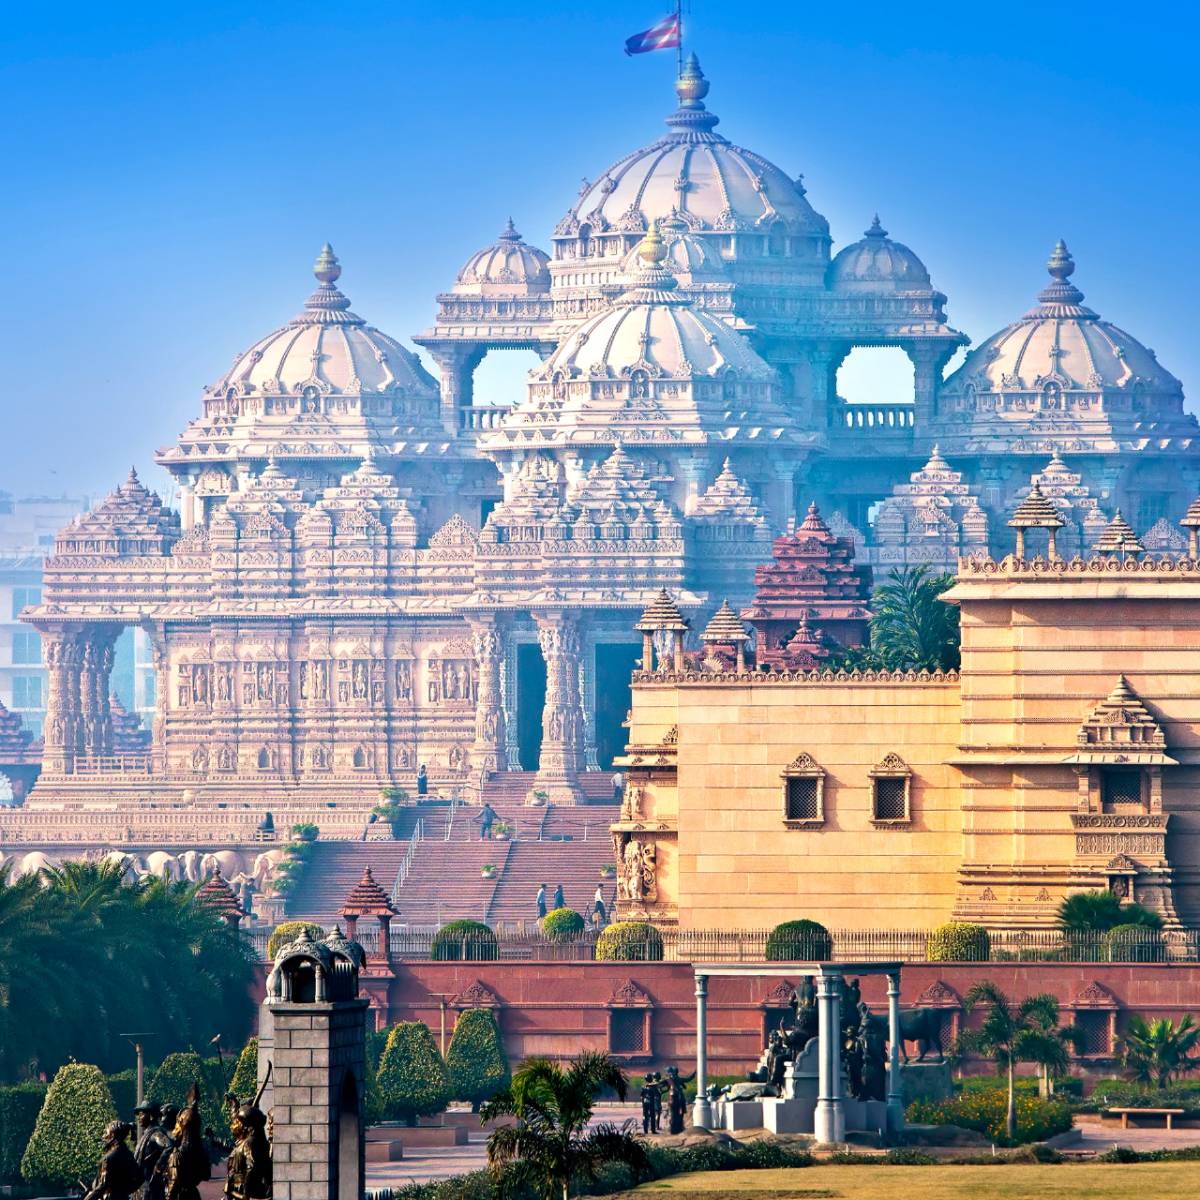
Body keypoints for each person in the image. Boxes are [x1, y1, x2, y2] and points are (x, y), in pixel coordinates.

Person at [164, 1088, 210, 1200]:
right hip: (194, 1195)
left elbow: (173, 1187)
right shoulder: (200, 1151)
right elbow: (206, 1175)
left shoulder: (177, 1155)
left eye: (178, 1123)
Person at [224, 1102, 271, 1200]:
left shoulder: (249, 1143)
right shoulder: (259, 1142)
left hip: (243, 1191)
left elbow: (250, 1168)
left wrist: (245, 1193)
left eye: (243, 1123)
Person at [84, 1122, 142, 1200]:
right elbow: (140, 1178)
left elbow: (103, 1185)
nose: (104, 1136)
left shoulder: (109, 1158)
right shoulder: (129, 1155)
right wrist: (124, 1191)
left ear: (112, 1135)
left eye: (106, 1133)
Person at [132, 1100, 172, 1200]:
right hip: (143, 1185)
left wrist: (158, 1167)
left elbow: (169, 1146)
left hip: (150, 1187)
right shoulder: (147, 1134)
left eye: (141, 1114)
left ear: (150, 1116)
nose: (139, 1118)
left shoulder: (155, 1134)